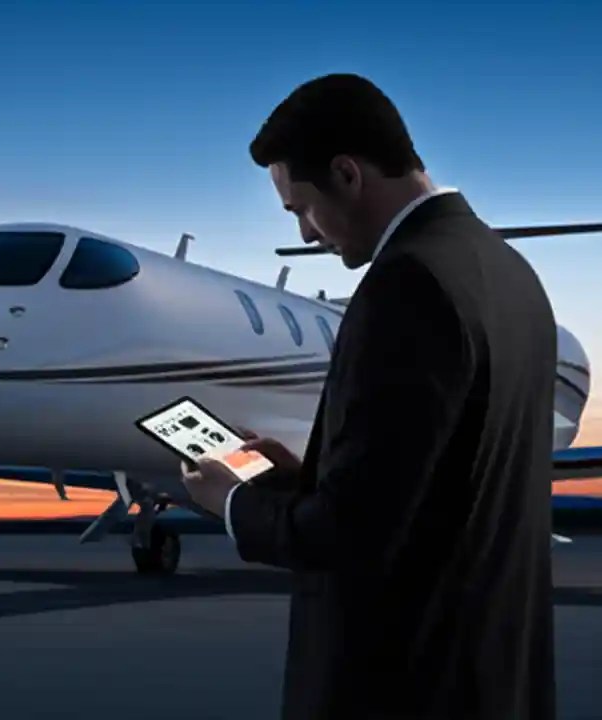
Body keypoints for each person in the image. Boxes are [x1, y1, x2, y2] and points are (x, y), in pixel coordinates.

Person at [181, 73, 558, 720]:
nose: (306, 234)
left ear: (347, 174)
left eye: (300, 209)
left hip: (405, 688)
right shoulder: (508, 272)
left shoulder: (405, 285)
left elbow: (348, 538)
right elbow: (439, 489)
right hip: (493, 681)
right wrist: (309, 478)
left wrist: (233, 502)